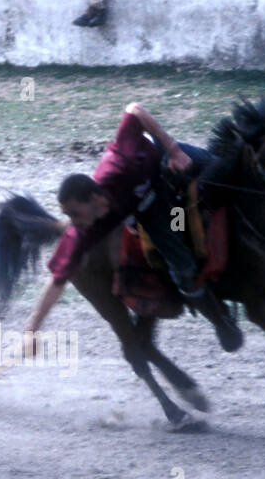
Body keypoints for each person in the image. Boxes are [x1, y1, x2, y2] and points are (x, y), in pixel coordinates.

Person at [25, 103, 243, 353]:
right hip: (153, 207)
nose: (73, 222)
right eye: (67, 215)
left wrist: (173, 150)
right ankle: (220, 319)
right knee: (182, 264)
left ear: (95, 199)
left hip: (163, 159)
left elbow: (134, 110)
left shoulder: (122, 160)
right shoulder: (88, 228)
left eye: (75, 213)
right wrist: (32, 329)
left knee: (227, 171)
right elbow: (57, 279)